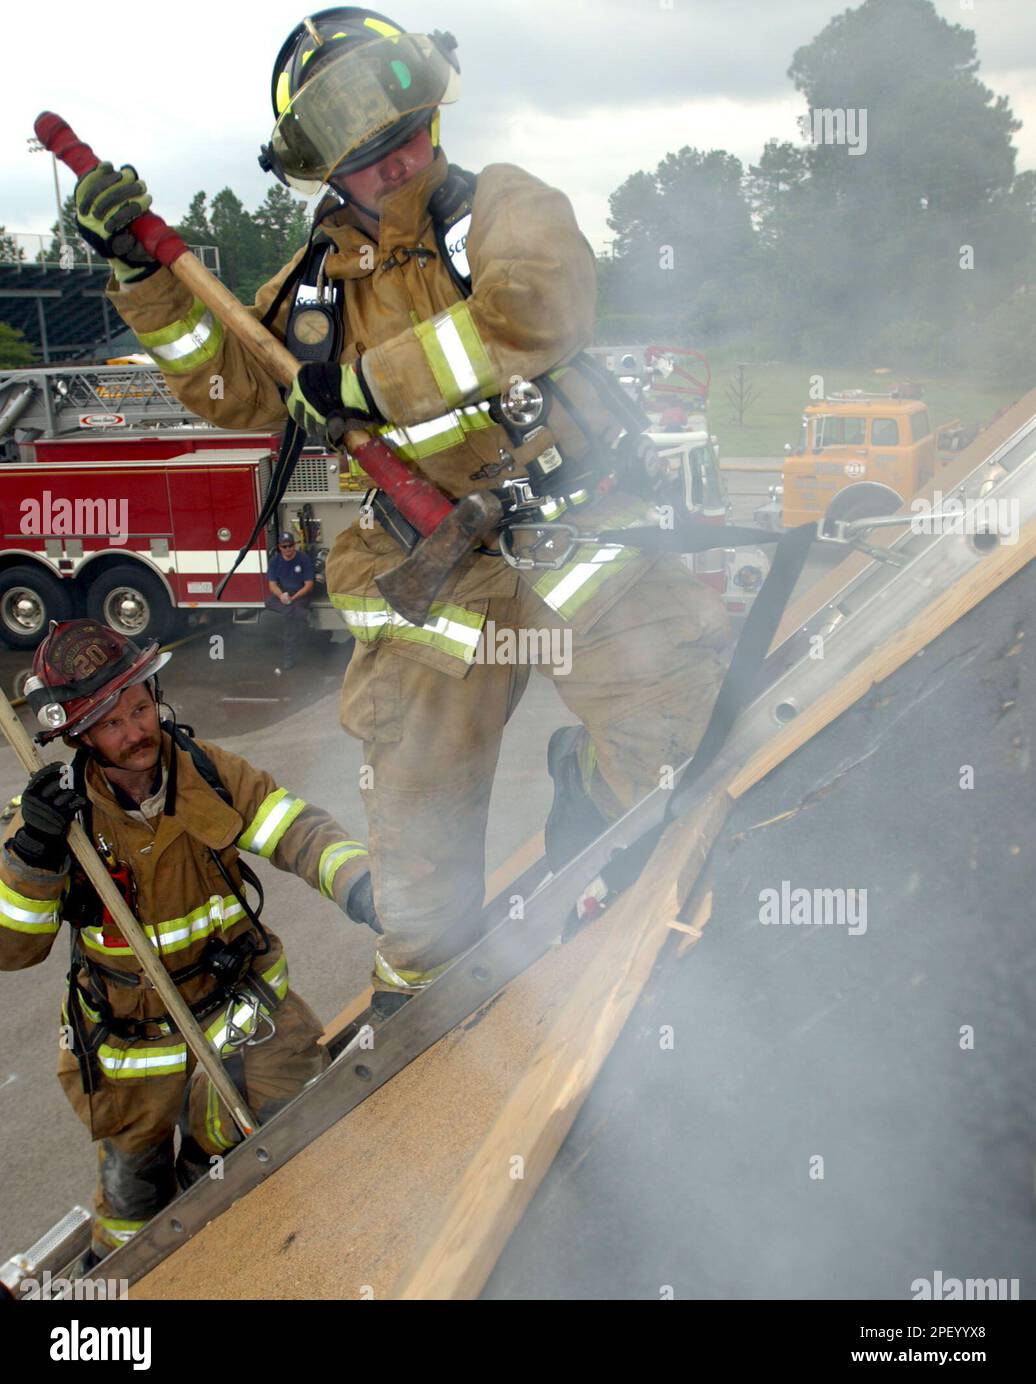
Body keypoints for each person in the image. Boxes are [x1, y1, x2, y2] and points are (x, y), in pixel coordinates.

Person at [85, 7, 731, 1006]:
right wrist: (145, 280)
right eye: (369, 157)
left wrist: (362, 387)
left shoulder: (499, 211)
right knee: (421, 869)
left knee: (672, 743)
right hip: (434, 574)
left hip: (576, 533)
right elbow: (230, 388)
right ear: (325, 171)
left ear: (435, 118)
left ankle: (590, 806)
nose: (397, 165)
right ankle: (418, 1020)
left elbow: (539, 307)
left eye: (411, 138)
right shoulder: (311, 293)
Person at [0, 619, 371, 1263]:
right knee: (134, 1208)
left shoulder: (207, 772)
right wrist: (33, 853)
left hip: (242, 1010)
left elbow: (295, 828)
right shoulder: (58, 823)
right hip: (130, 1054)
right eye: (112, 724)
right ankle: (118, 1291)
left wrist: (364, 884)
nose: (137, 732)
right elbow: (12, 947)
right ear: (81, 736)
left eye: (141, 708)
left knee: (293, 1113)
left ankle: (224, 1211)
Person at [266, 531, 315, 674]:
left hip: (300, 595)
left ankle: (289, 658)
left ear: (295, 545)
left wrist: (293, 598)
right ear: (279, 547)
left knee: (289, 621)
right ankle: (303, 615)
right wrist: (281, 596)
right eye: (284, 546)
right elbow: (272, 584)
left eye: (290, 545)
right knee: (269, 602)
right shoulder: (275, 561)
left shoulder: (303, 559)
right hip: (283, 595)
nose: (288, 549)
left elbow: (309, 585)